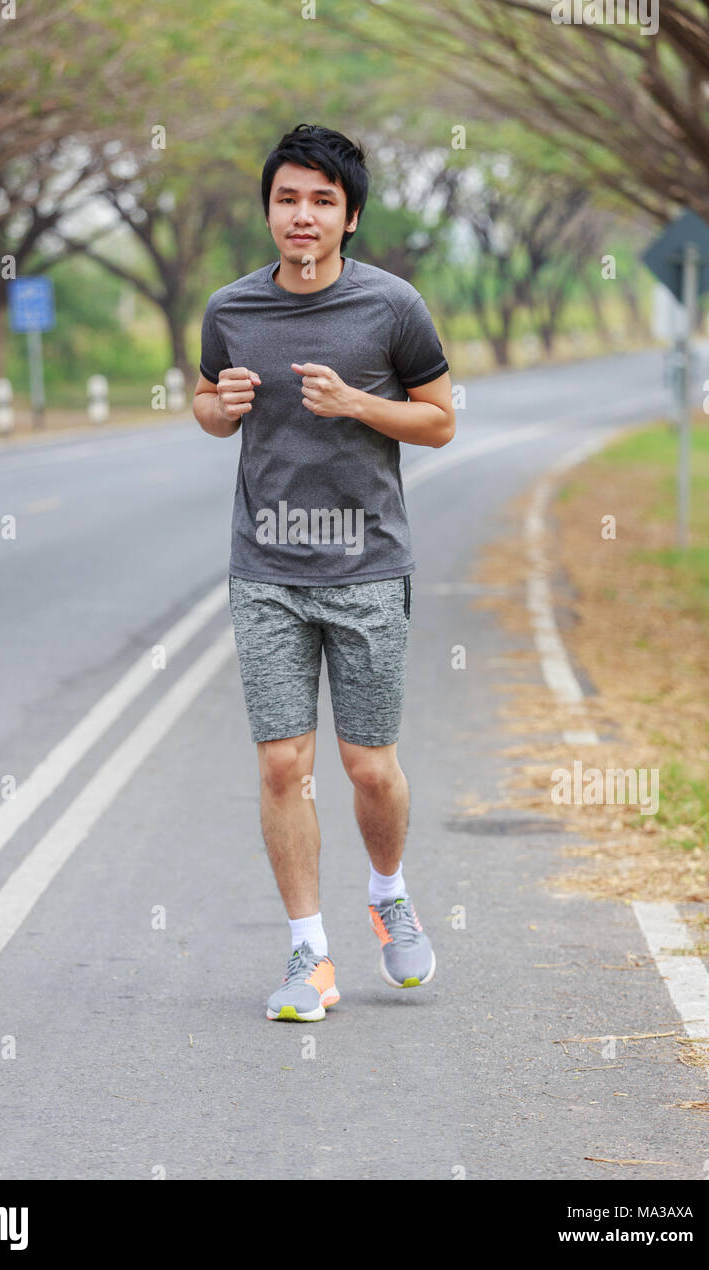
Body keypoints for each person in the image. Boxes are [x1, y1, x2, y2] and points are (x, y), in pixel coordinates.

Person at [192, 123, 456, 1020]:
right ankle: (310, 956)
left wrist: (356, 404)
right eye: (287, 198)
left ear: (349, 218)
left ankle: (388, 891)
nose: (301, 216)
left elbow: (440, 421)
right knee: (281, 766)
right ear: (269, 208)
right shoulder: (232, 309)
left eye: (321, 201)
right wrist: (215, 408)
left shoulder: (393, 308)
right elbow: (206, 398)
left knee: (368, 767)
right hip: (264, 566)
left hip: (368, 566)